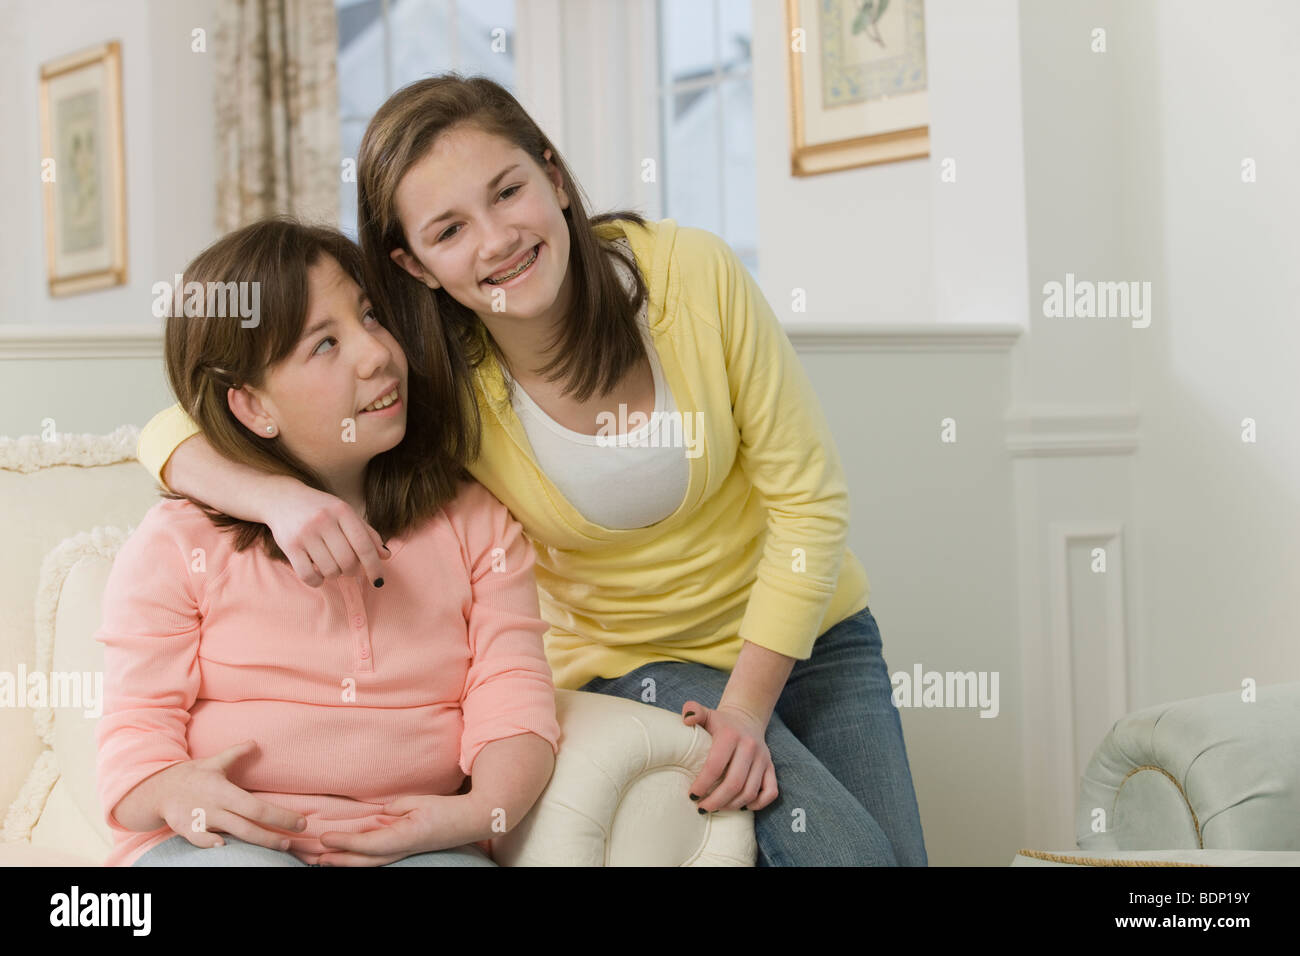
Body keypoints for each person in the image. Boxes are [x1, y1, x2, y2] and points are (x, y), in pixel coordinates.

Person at [135, 74, 926, 866]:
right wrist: (278, 500)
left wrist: (749, 711)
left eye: (508, 191)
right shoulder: (438, 379)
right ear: (414, 265)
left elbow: (809, 505)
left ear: (553, 176)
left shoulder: (693, 276)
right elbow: (171, 429)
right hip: (639, 661)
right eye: (449, 230)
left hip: (813, 632)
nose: (497, 240)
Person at [98, 217, 560, 867]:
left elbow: (513, 700)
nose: (376, 354)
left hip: (413, 842)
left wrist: (470, 814)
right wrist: (174, 789)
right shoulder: (179, 545)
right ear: (253, 406)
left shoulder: (476, 524)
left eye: (371, 318)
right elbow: (133, 739)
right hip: (225, 843)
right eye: (325, 344)